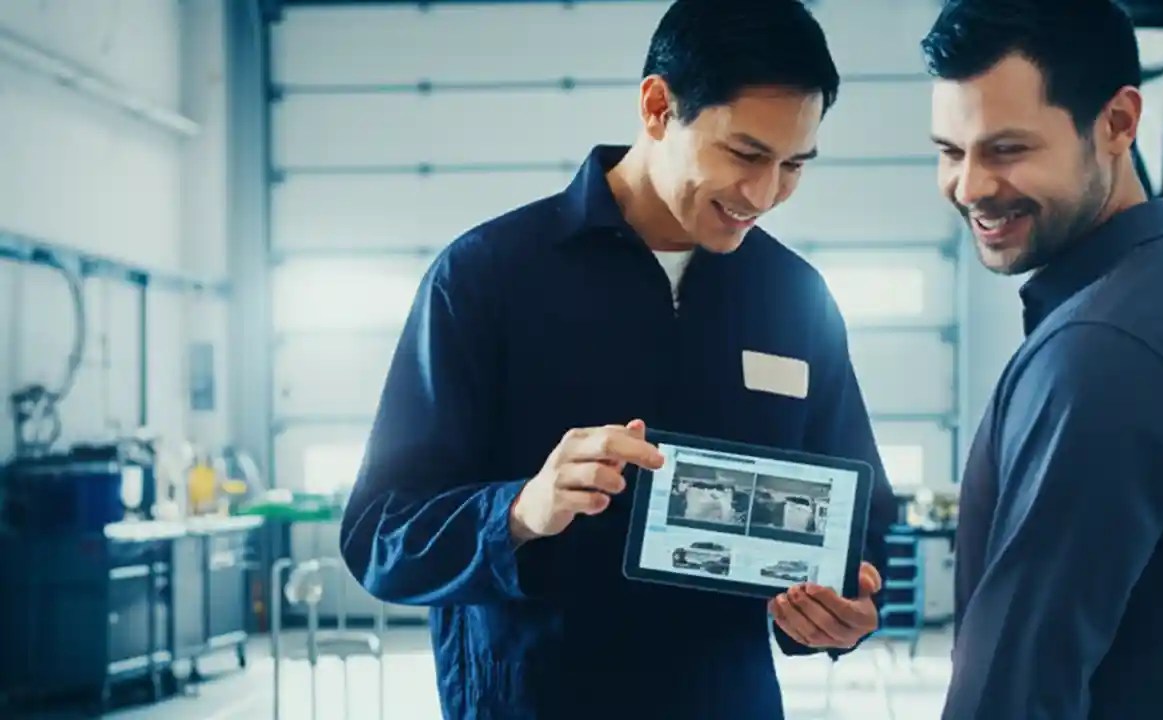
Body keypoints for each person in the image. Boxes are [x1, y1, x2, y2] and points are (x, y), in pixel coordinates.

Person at [338, 1, 899, 718]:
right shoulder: (487, 278)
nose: (765, 195)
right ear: (659, 106)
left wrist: (845, 608)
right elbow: (381, 533)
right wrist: (517, 511)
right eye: (746, 154)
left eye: (794, 165)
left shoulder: (796, 298)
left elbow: (863, 517)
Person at [921, 0, 1163, 717]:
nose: (971, 188)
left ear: (1117, 123)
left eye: (1008, 149)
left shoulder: (1104, 352)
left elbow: (1015, 687)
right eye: (951, 151)